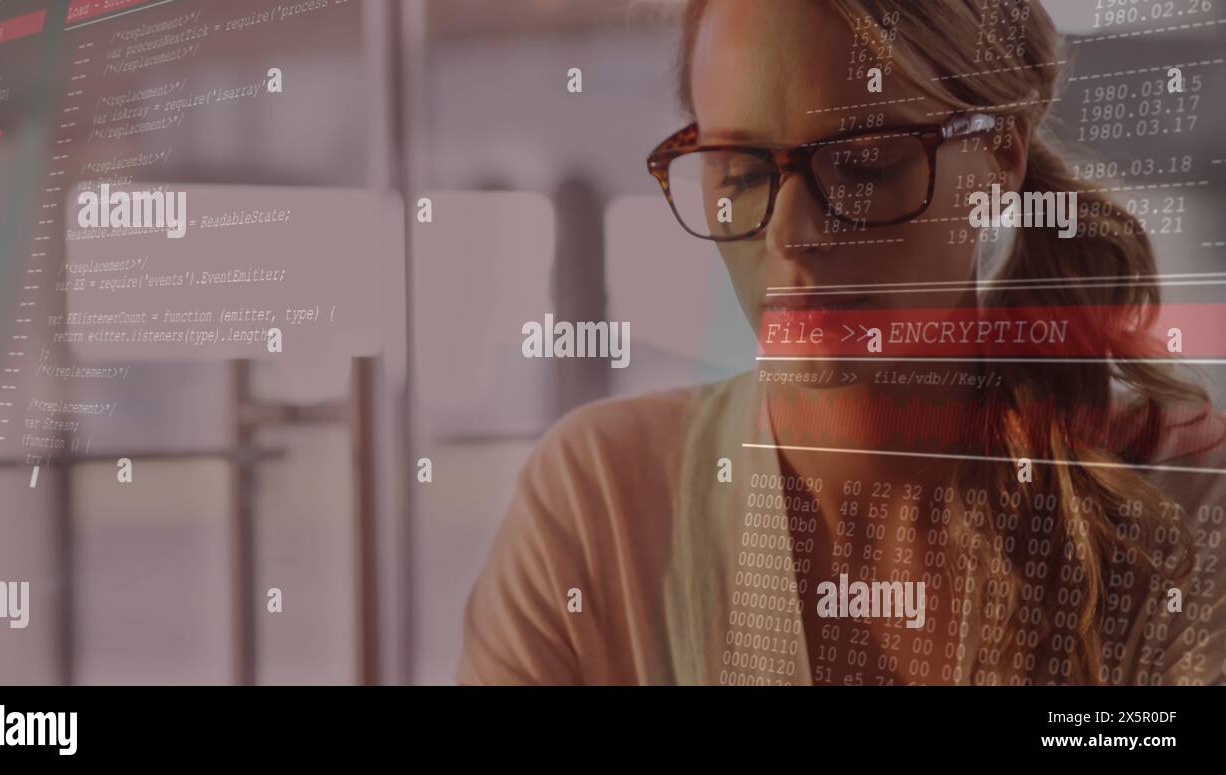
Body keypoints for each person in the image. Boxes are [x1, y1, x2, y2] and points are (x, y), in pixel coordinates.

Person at [458, 0, 1226, 685]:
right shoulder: (598, 506)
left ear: (1000, 157)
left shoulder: (1181, 507)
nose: (790, 231)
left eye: (863, 163)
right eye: (740, 171)